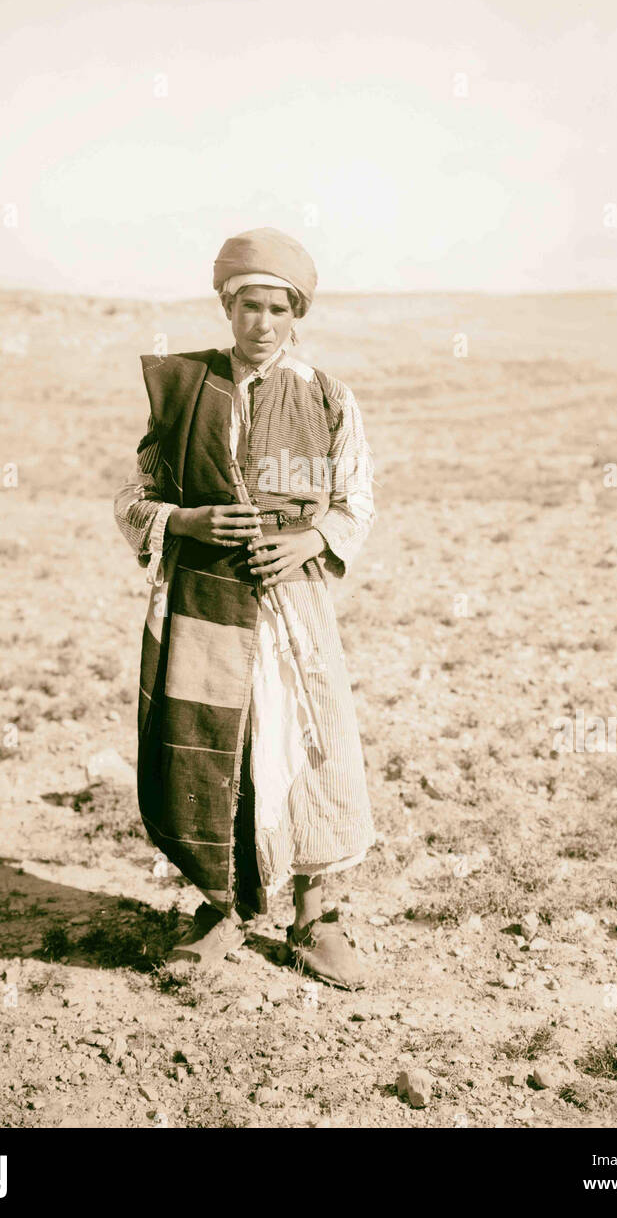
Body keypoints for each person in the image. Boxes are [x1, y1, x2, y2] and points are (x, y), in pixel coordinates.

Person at [114, 227, 377, 988]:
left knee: (310, 746)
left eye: (277, 308)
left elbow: (358, 500)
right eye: (248, 305)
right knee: (214, 743)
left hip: (296, 611)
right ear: (227, 307)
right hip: (204, 606)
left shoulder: (327, 395)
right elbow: (133, 500)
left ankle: (314, 918)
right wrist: (186, 522)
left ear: (297, 313)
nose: (262, 323)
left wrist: (309, 542)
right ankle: (221, 910)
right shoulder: (184, 388)